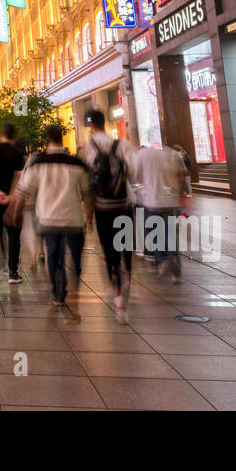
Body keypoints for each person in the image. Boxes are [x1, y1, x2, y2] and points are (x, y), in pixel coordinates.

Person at [10, 125, 91, 323]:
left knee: (53, 256)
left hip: (48, 219)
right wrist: (89, 216)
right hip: (73, 219)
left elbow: (22, 192)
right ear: (62, 139)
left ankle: (57, 295)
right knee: (75, 262)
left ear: (47, 140)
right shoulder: (76, 163)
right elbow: (88, 194)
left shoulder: (38, 164)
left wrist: (17, 214)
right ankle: (71, 295)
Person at [83, 110, 135, 318]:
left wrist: (88, 216)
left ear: (90, 125)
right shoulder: (122, 145)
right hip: (124, 203)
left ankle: (118, 298)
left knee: (109, 249)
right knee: (126, 245)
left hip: (102, 206)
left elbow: (87, 184)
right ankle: (128, 275)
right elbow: (133, 172)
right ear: (104, 123)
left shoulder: (87, 148)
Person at [128, 143, 191, 283]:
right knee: (170, 236)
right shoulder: (171, 154)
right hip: (169, 203)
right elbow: (181, 176)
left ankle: (161, 259)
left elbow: (135, 177)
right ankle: (176, 272)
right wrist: (183, 194)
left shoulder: (141, 155)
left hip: (151, 202)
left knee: (153, 234)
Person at [0, 124, 26, 284]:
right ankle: (13, 272)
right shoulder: (17, 152)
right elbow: (18, 175)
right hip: (12, 198)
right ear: (14, 136)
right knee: (14, 232)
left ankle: (0, 268)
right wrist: (11, 195)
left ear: (1, 134)